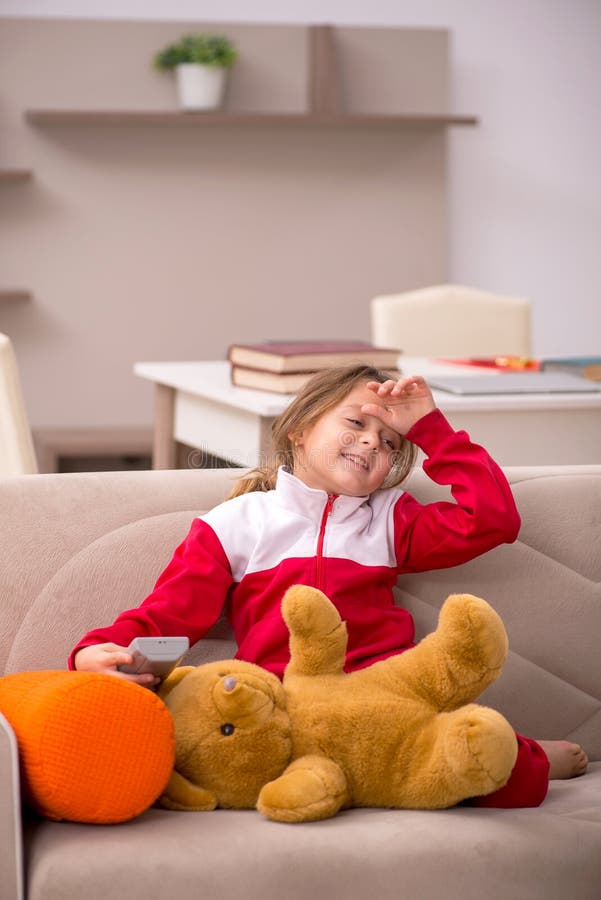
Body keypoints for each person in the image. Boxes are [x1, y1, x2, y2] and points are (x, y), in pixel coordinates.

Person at [71, 365, 588, 803]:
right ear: (298, 428)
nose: (371, 440)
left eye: (389, 441)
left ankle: (531, 755)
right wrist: (95, 651)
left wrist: (430, 428)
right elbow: (166, 617)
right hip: (287, 707)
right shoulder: (235, 523)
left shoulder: (389, 519)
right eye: (356, 422)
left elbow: (493, 519)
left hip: (384, 699)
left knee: (502, 770)